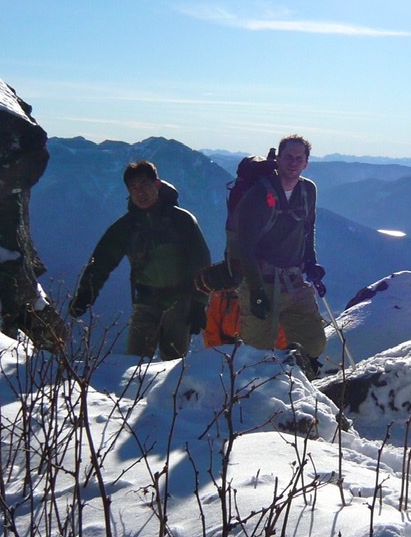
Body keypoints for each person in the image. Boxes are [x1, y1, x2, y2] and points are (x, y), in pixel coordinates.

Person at [69, 160, 211, 360]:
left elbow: (201, 263)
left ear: (157, 185)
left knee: (174, 365)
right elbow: (101, 261)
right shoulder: (126, 227)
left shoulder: (182, 220)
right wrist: (85, 295)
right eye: (133, 188)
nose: (140, 192)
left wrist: (199, 303)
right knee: (133, 365)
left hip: (180, 303)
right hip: (145, 302)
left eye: (144, 185)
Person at [229, 134, 327, 371]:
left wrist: (311, 262)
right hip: (261, 281)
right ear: (278, 160)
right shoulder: (258, 195)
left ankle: (293, 378)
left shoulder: (308, 190)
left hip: (293, 282)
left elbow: (307, 228)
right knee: (255, 352)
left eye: (299, 158)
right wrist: (256, 290)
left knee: (314, 342)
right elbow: (244, 246)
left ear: (306, 163)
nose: (293, 162)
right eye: (288, 157)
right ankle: (252, 398)